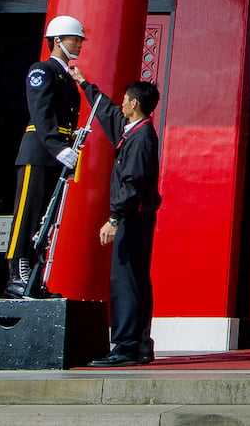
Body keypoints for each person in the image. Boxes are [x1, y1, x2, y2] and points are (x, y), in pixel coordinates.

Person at [69, 66, 162, 367]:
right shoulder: (132, 132)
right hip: (135, 218)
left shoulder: (142, 137)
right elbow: (109, 114)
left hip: (133, 218)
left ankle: (125, 345)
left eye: (125, 99)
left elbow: (132, 181)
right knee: (134, 280)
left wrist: (113, 218)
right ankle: (139, 344)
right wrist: (85, 83)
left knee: (125, 281)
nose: (121, 103)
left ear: (134, 103)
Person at [5, 15, 86, 298]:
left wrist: (70, 143)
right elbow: (41, 114)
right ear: (57, 41)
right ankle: (17, 273)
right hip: (39, 151)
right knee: (27, 213)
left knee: (44, 219)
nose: (79, 43)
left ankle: (33, 279)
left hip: (57, 153)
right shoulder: (42, 70)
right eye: (74, 38)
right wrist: (57, 146)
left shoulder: (67, 75)